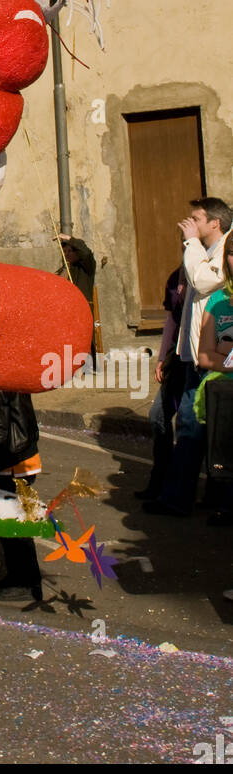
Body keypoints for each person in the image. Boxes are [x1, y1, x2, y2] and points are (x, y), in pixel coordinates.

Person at [145, 196, 232, 517]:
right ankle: (204, 497)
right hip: (195, 356)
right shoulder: (205, 251)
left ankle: (179, 499)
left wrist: (191, 243)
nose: (189, 225)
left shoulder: (223, 250)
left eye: (196, 219)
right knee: (199, 428)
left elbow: (204, 280)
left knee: (196, 429)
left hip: (215, 358)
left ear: (214, 223)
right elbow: (182, 314)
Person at [0, 387, 43, 603]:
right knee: (19, 520)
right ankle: (26, 579)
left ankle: (22, 581)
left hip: (10, 463)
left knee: (13, 523)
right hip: (21, 457)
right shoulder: (8, 374)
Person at [136, 264, 188, 501]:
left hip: (202, 360)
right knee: (158, 414)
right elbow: (172, 321)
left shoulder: (211, 271)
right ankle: (160, 480)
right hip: (177, 358)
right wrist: (161, 358)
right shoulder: (176, 275)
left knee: (195, 426)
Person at [195, 228, 233, 526]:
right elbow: (205, 356)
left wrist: (224, 354)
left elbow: (215, 353)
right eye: (231, 253)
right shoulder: (217, 299)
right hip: (224, 394)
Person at [58, 234, 97, 361]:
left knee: (84, 339)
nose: (67, 254)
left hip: (83, 309)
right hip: (69, 311)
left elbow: (85, 252)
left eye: (70, 251)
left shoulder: (87, 266)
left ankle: (88, 365)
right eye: (65, 251)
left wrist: (69, 239)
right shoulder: (66, 269)